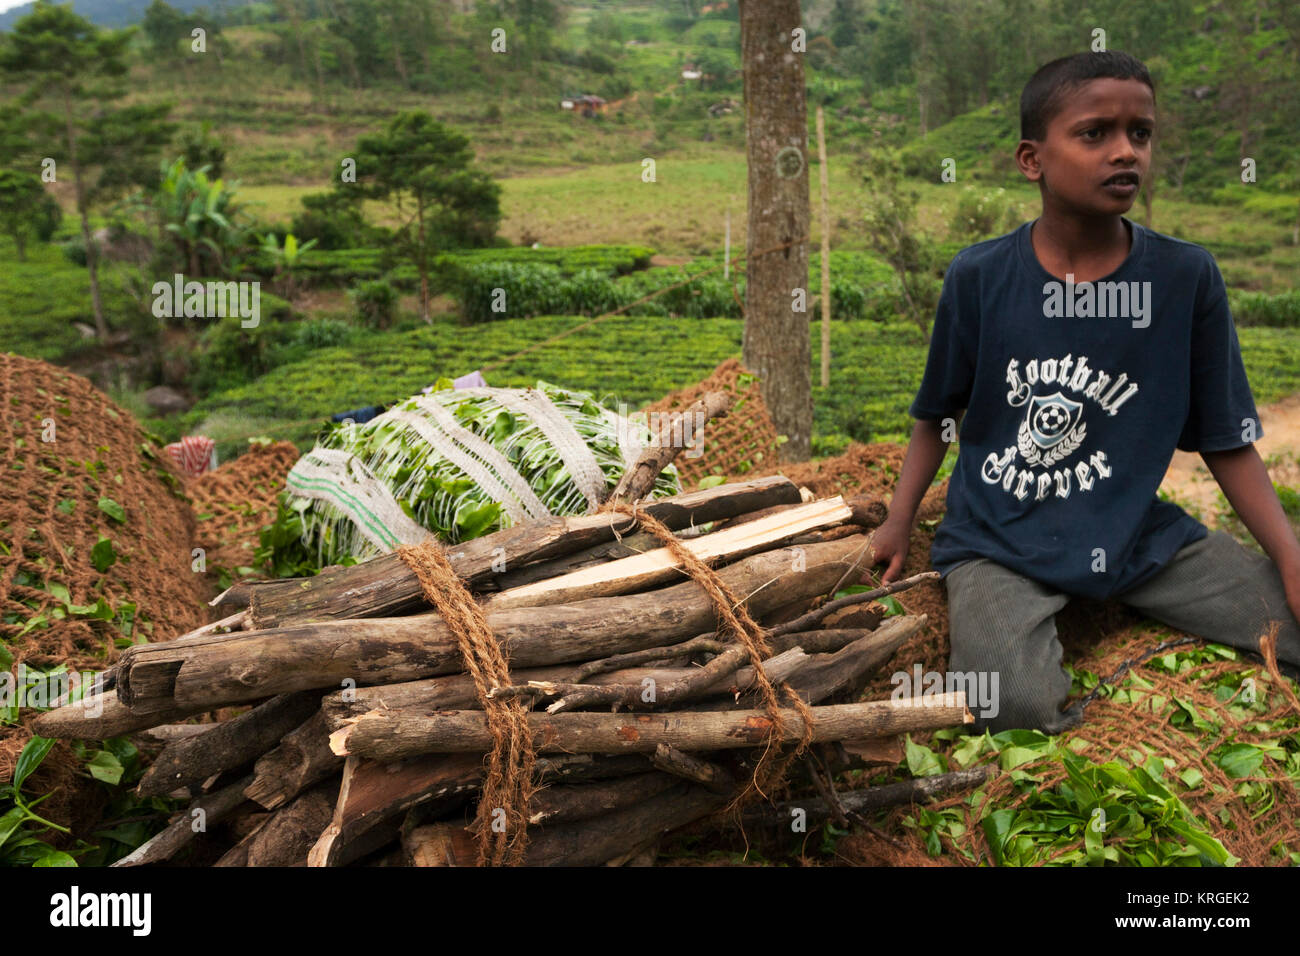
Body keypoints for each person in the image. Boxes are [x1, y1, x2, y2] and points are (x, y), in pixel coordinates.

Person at [866, 51, 1300, 734]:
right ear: (1032, 160)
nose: (1125, 151)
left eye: (1141, 133)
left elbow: (1226, 439)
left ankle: (1113, 600)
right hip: (997, 538)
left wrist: (1290, 555)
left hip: (1133, 537)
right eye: (1095, 133)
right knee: (1010, 705)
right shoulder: (979, 277)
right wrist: (898, 520)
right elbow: (936, 415)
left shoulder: (1185, 279)